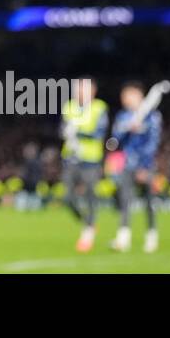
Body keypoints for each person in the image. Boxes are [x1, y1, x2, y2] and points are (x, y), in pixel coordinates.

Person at [109, 82, 161, 254]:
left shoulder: (152, 116)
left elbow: (153, 143)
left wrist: (144, 166)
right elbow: (115, 140)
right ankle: (123, 238)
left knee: (149, 201)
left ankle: (151, 236)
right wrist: (128, 129)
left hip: (146, 165)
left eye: (128, 95)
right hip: (127, 164)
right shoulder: (123, 116)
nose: (125, 99)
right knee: (125, 200)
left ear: (139, 95)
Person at [61, 76, 108, 253]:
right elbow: (63, 128)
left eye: (84, 88)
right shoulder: (69, 106)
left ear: (93, 91)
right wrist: (67, 132)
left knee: (90, 195)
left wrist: (78, 133)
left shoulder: (99, 107)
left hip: (91, 159)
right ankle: (86, 221)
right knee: (67, 198)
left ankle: (88, 232)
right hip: (71, 158)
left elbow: (99, 133)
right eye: (78, 88)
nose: (80, 91)